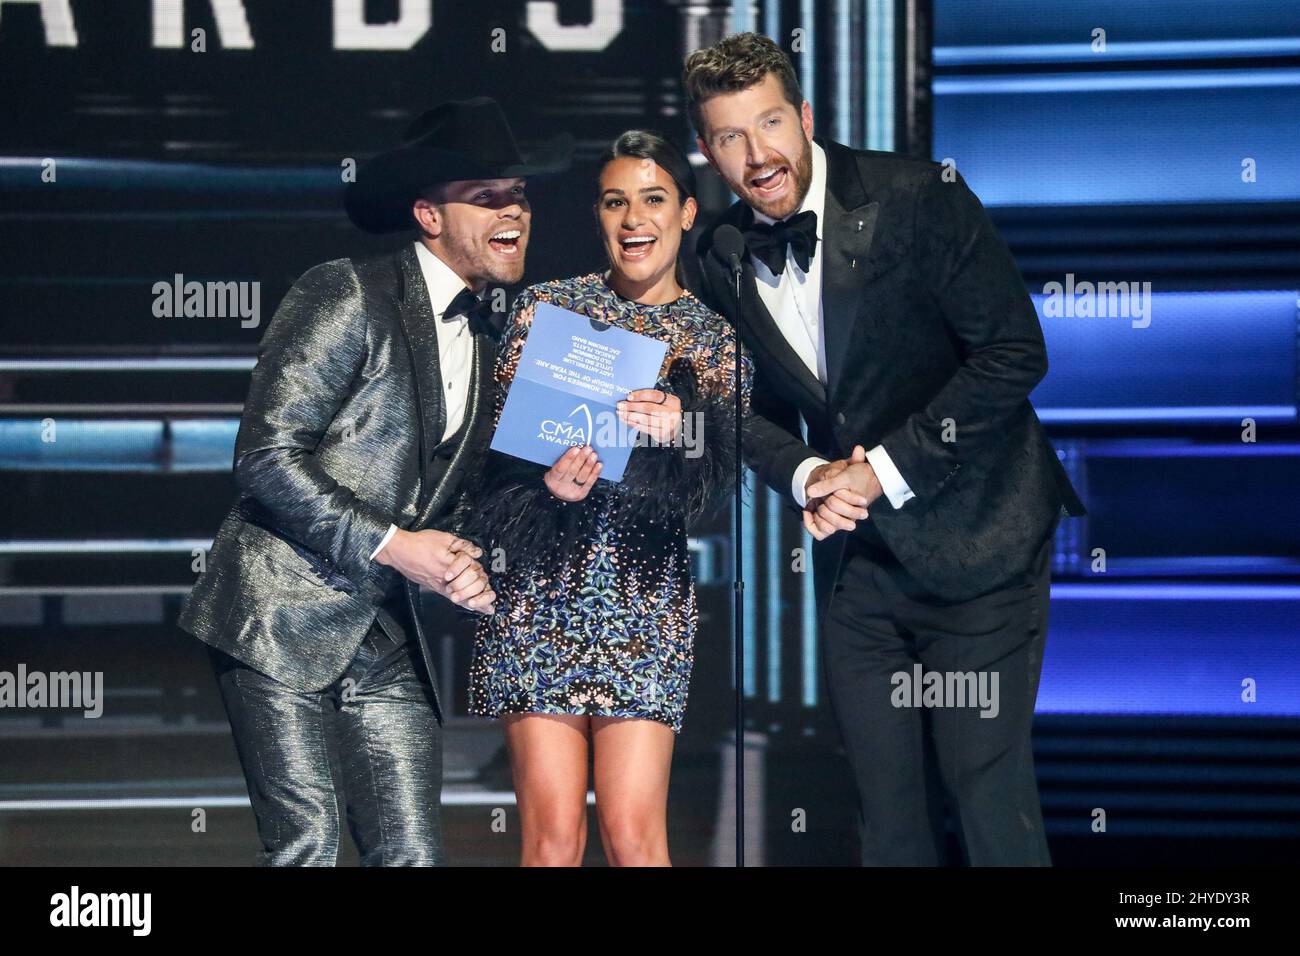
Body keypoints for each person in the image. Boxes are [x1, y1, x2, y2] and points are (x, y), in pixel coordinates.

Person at [687, 33, 1086, 866]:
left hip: (984, 539)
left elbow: (1014, 354)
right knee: (885, 816)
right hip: (862, 568)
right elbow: (743, 413)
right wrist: (807, 475)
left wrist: (883, 470)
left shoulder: (916, 197)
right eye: (731, 137)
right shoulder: (719, 254)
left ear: (803, 116)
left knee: (985, 794)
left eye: (769, 124)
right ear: (708, 150)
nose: (758, 156)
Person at [178, 97, 569, 865]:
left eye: (519, 193)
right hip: (278, 615)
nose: (514, 209)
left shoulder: (500, 335)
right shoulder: (348, 291)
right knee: (309, 847)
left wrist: (480, 550)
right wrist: (395, 545)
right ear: (428, 214)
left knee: (412, 855)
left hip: (386, 632)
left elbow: (450, 499)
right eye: (487, 196)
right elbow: (264, 456)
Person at [466, 130, 751, 867]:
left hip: (644, 602)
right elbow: (489, 470)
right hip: (538, 595)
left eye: (653, 200)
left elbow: (718, 490)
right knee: (553, 843)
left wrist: (680, 432)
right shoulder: (548, 311)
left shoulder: (715, 340)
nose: (634, 219)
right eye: (616, 201)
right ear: (598, 216)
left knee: (634, 839)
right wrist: (544, 487)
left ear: (686, 213)